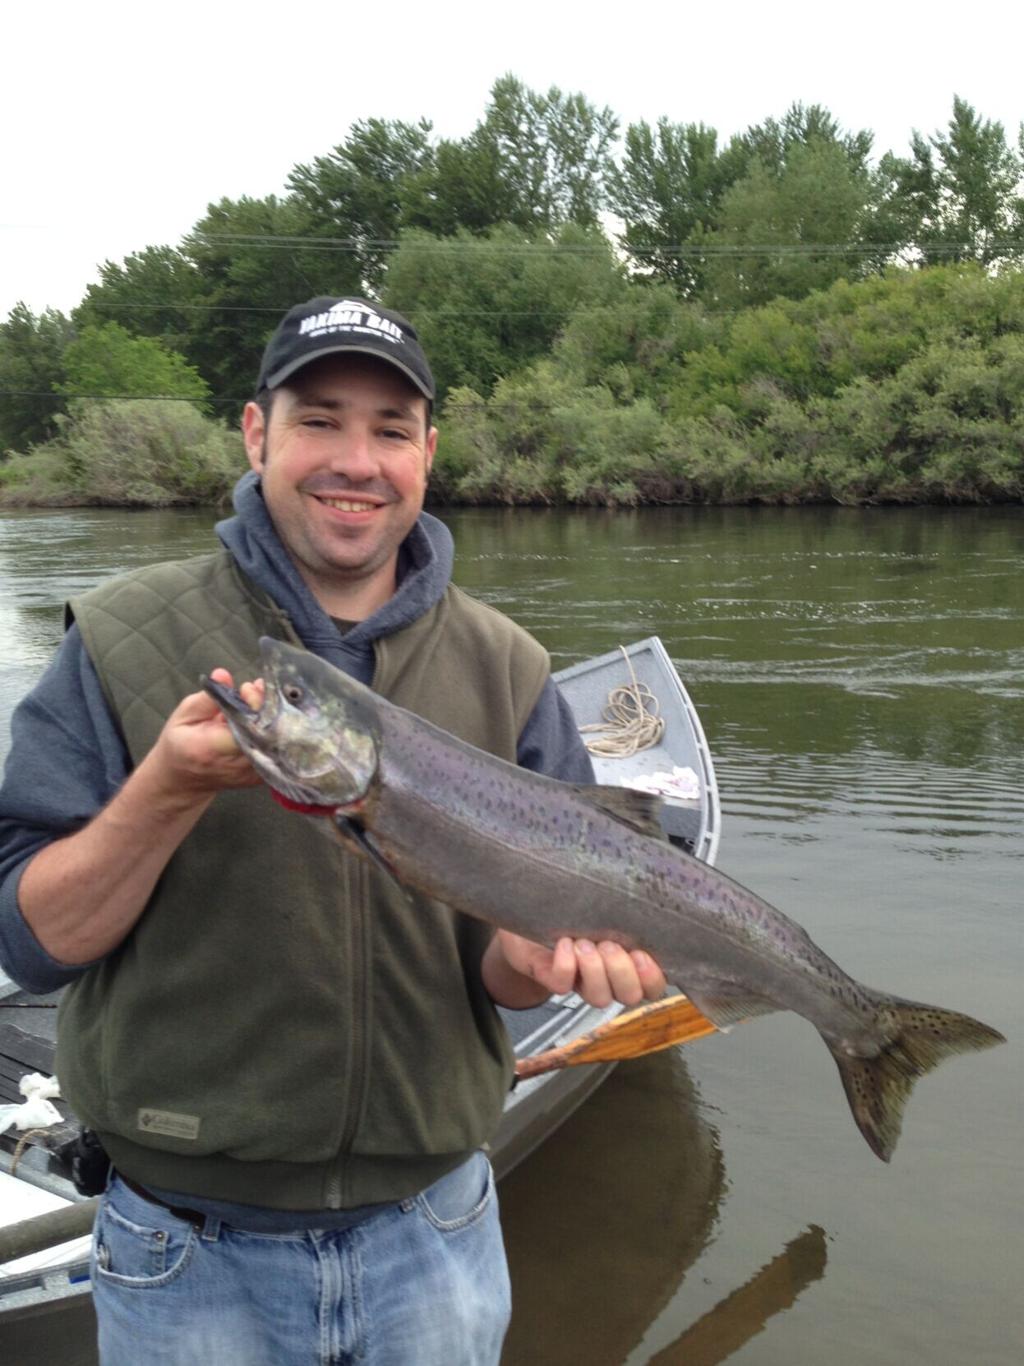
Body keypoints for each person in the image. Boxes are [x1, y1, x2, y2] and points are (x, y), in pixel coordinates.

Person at [0, 297, 666, 1365]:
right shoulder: (121, 637)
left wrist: (536, 961)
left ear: (427, 455)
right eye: (320, 419)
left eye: (390, 429)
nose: (356, 459)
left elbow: (505, 974)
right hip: (184, 1253)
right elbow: (30, 943)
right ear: (257, 431)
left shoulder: (510, 666)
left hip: (436, 1237)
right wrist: (165, 790)